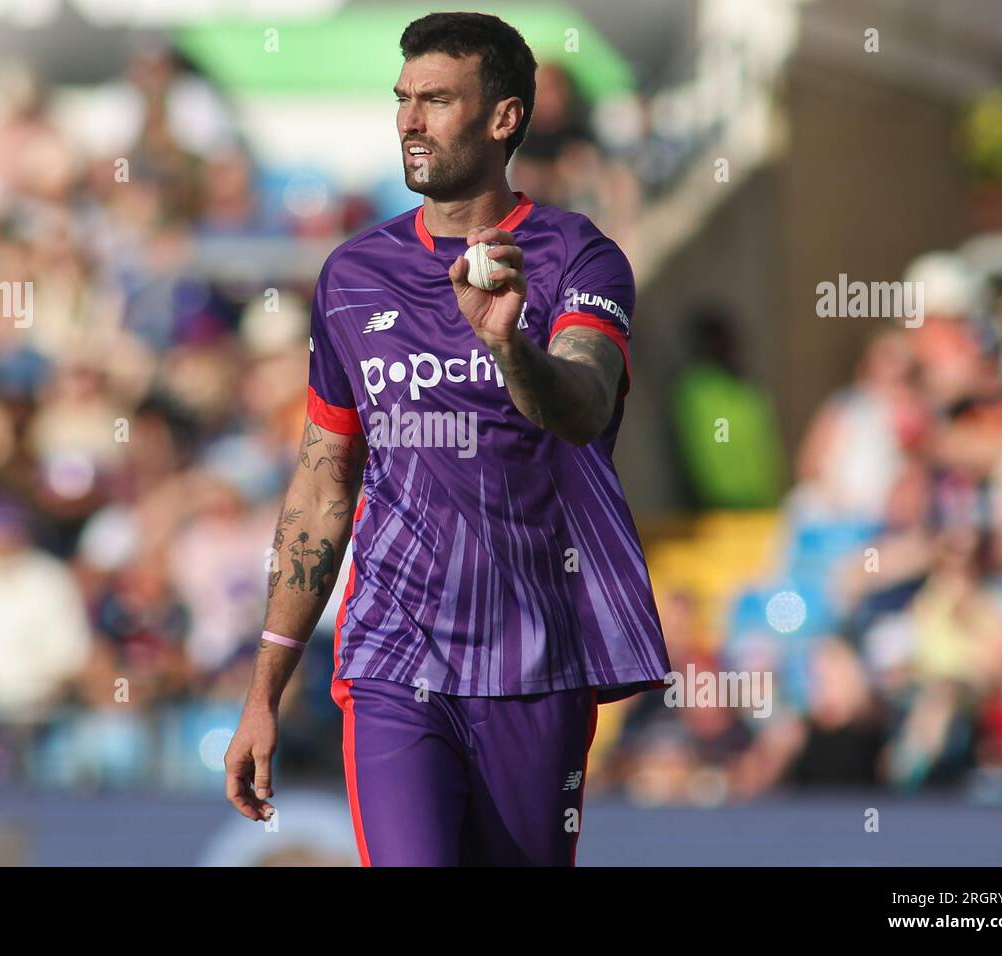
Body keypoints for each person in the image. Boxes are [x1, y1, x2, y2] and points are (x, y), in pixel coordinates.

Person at [223, 11, 670, 866]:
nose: (409, 121)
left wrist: (508, 345)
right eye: (402, 99)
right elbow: (324, 485)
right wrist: (264, 690)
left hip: (536, 662)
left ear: (503, 118)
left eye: (435, 99)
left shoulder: (578, 256)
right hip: (393, 660)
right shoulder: (353, 275)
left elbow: (582, 403)